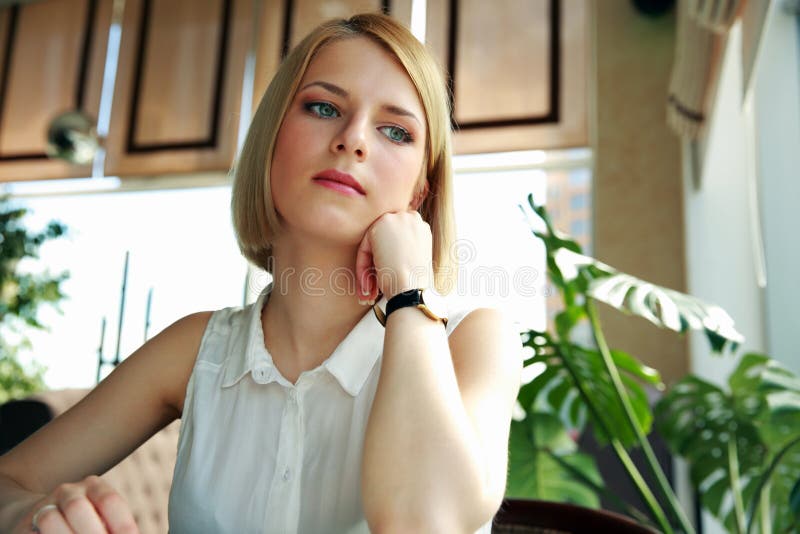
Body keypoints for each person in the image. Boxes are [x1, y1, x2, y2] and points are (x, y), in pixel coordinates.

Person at [0, 13, 522, 534]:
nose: (353, 139)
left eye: (395, 131)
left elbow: (423, 524)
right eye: (324, 107)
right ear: (272, 141)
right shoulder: (197, 349)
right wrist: (36, 516)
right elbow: (9, 483)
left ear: (419, 193)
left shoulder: (474, 340)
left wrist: (409, 290)